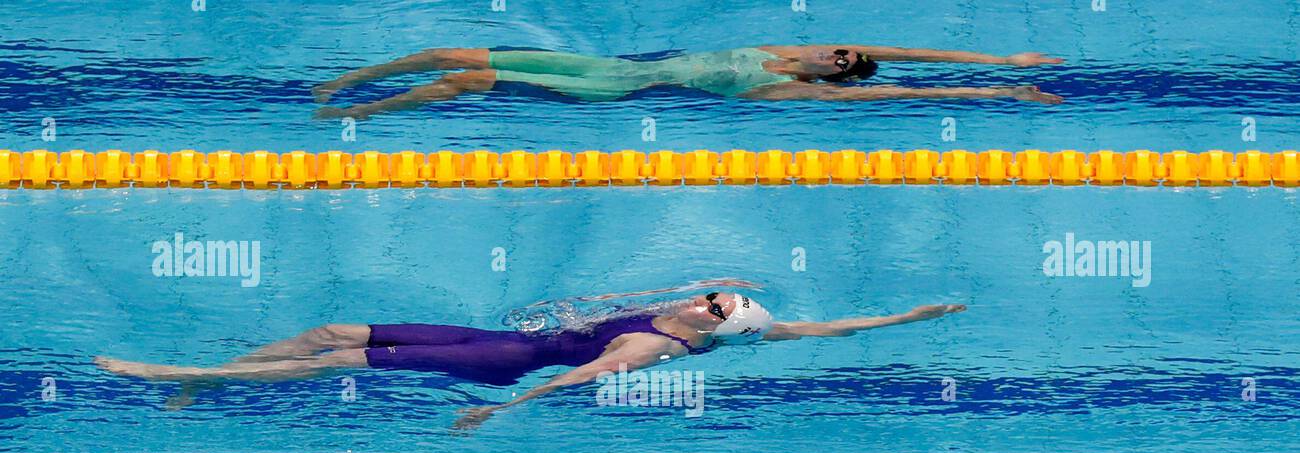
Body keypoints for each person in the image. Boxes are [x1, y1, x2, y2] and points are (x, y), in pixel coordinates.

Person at [92, 288, 966, 428]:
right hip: (487, 334)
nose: (704, 294)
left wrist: (501, 411)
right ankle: (208, 382)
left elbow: (577, 376)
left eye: (713, 304)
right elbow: (820, 332)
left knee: (334, 365)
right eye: (714, 290)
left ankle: (186, 380)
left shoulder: (644, 345)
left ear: (704, 332)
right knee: (334, 332)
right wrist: (910, 315)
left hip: (490, 367)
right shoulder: (709, 319)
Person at [312, 44, 1064, 117]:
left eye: (843, 67)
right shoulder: (792, 47)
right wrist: (1010, 57)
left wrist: (998, 94)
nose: (836, 58)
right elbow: (912, 55)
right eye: (840, 54)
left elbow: (911, 91)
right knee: (460, 53)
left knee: (466, 81)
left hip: (619, 89)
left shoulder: (786, 90)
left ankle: (373, 111)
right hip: (610, 66)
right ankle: (355, 78)